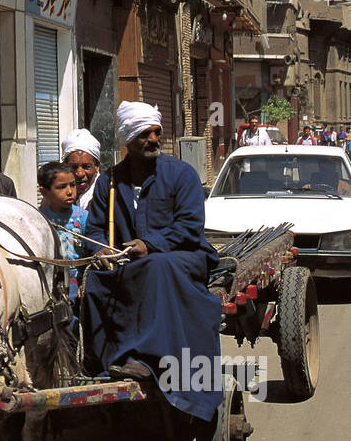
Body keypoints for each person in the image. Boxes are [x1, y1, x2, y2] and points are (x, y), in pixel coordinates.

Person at [80, 101, 223, 423]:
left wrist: (150, 244)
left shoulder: (181, 174)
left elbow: (189, 226)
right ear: (128, 140)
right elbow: (94, 227)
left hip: (182, 256)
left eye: (157, 133)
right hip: (128, 262)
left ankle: (148, 358)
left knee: (157, 268)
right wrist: (102, 249)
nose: (153, 139)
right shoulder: (110, 181)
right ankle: (105, 361)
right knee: (94, 280)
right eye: (145, 134)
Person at [38, 160, 88, 303]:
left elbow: (91, 253)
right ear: (44, 191)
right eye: (61, 187)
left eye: (72, 185)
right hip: (49, 281)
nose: (69, 191)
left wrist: (85, 282)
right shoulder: (39, 219)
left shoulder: (83, 217)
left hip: (77, 282)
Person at [61, 127, 102, 208]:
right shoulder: (57, 195)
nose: (80, 174)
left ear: (97, 167)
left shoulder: (104, 197)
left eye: (86, 167)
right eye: (74, 167)